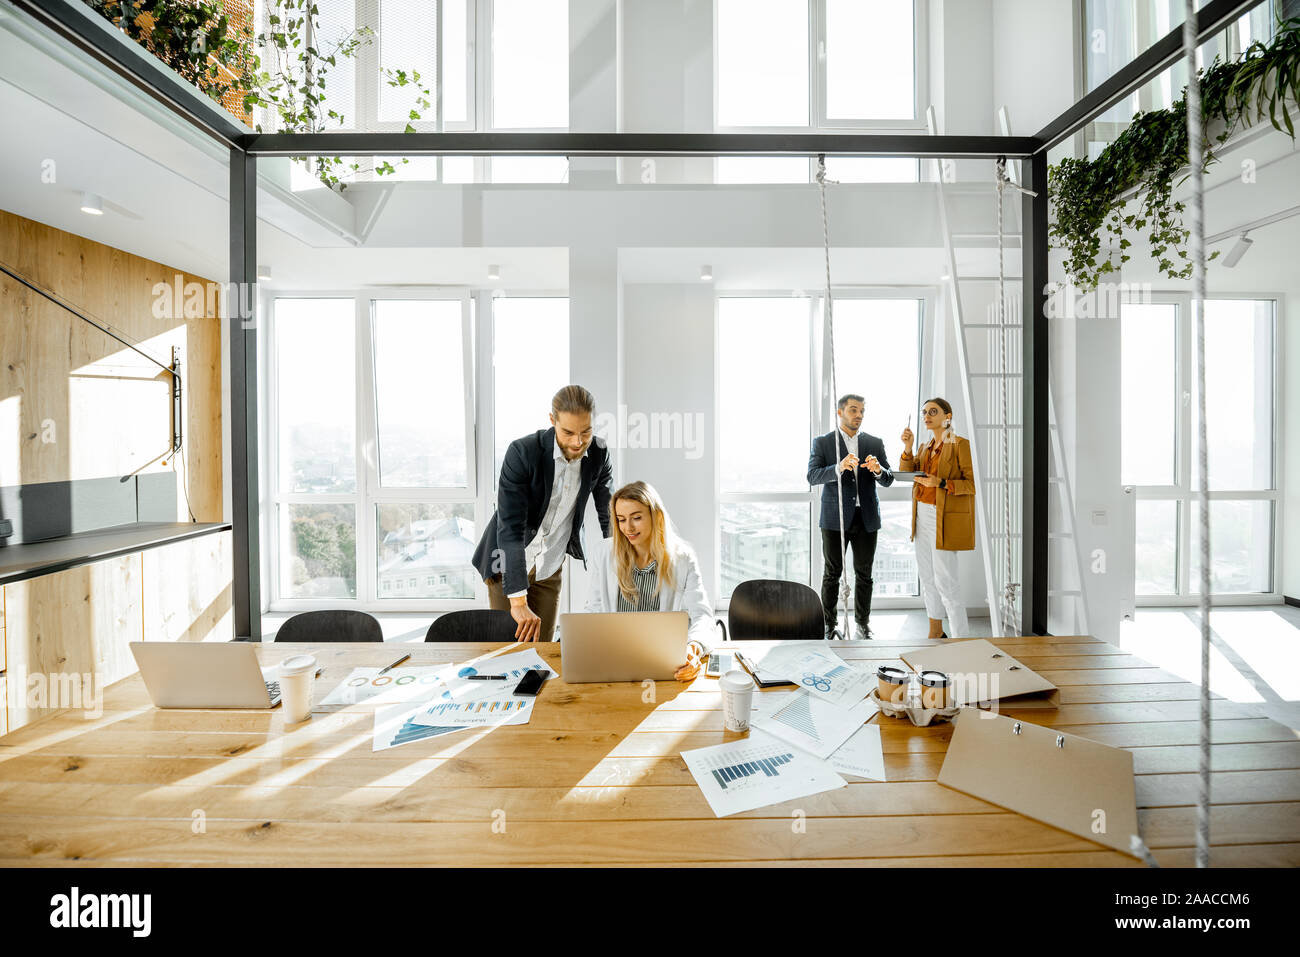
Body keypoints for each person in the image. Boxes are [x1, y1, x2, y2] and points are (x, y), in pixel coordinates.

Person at [471, 385, 614, 642]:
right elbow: (511, 527)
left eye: (586, 432)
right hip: (507, 564)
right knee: (506, 650)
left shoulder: (599, 454)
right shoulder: (523, 452)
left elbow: (609, 513)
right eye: (568, 432)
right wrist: (517, 600)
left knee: (543, 652)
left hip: (550, 566)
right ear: (552, 421)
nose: (577, 442)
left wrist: (620, 562)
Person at [585, 481, 714, 682]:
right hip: (615, 660)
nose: (628, 528)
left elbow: (702, 617)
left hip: (665, 665)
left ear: (657, 517)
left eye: (636, 518)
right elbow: (593, 611)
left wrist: (694, 648)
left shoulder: (683, 558)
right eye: (621, 519)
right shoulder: (602, 553)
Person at [807, 394, 894, 640]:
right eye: (854, 410)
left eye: (862, 411)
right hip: (835, 518)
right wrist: (838, 468)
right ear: (840, 412)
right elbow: (812, 476)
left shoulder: (875, 442)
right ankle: (828, 624)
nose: (859, 415)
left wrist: (878, 470)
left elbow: (888, 479)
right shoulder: (823, 443)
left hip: (867, 517)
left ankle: (862, 623)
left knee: (864, 573)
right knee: (832, 572)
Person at [899, 397, 975, 639]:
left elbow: (972, 484)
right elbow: (907, 473)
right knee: (927, 577)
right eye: (924, 412)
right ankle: (935, 631)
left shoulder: (959, 444)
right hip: (920, 514)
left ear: (947, 416)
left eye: (933, 411)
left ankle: (961, 638)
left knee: (946, 581)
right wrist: (908, 449)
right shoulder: (924, 447)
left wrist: (940, 483)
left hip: (942, 516)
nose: (927, 416)